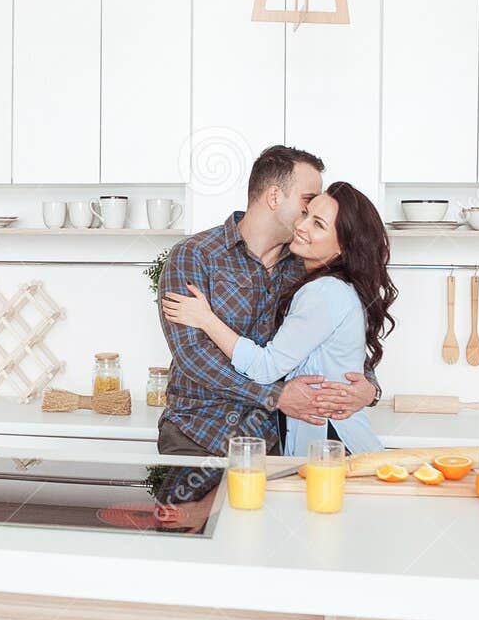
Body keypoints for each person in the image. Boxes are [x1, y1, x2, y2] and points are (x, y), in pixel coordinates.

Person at [155, 147, 379, 457]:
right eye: (307, 202)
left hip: (274, 438)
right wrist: (276, 396)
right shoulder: (196, 255)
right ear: (274, 197)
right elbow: (193, 355)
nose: (310, 211)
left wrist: (369, 388)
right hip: (199, 433)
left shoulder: (308, 267)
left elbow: (337, 347)